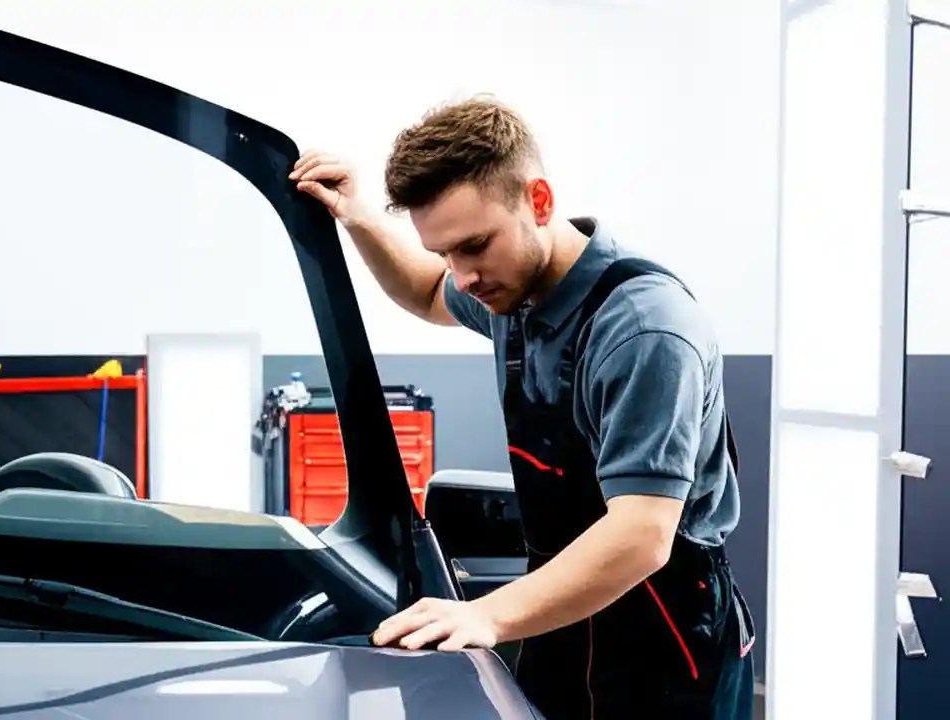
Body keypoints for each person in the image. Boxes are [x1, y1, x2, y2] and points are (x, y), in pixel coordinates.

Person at [290, 96, 756, 719]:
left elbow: (643, 535)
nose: (462, 276)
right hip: (559, 615)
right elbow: (427, 292)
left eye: (475, 246)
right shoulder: (519, 295)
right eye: (447, 252)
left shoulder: (644, 330)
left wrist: (486, 613)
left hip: (662, 636)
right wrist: (359, 217)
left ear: (538, 202)